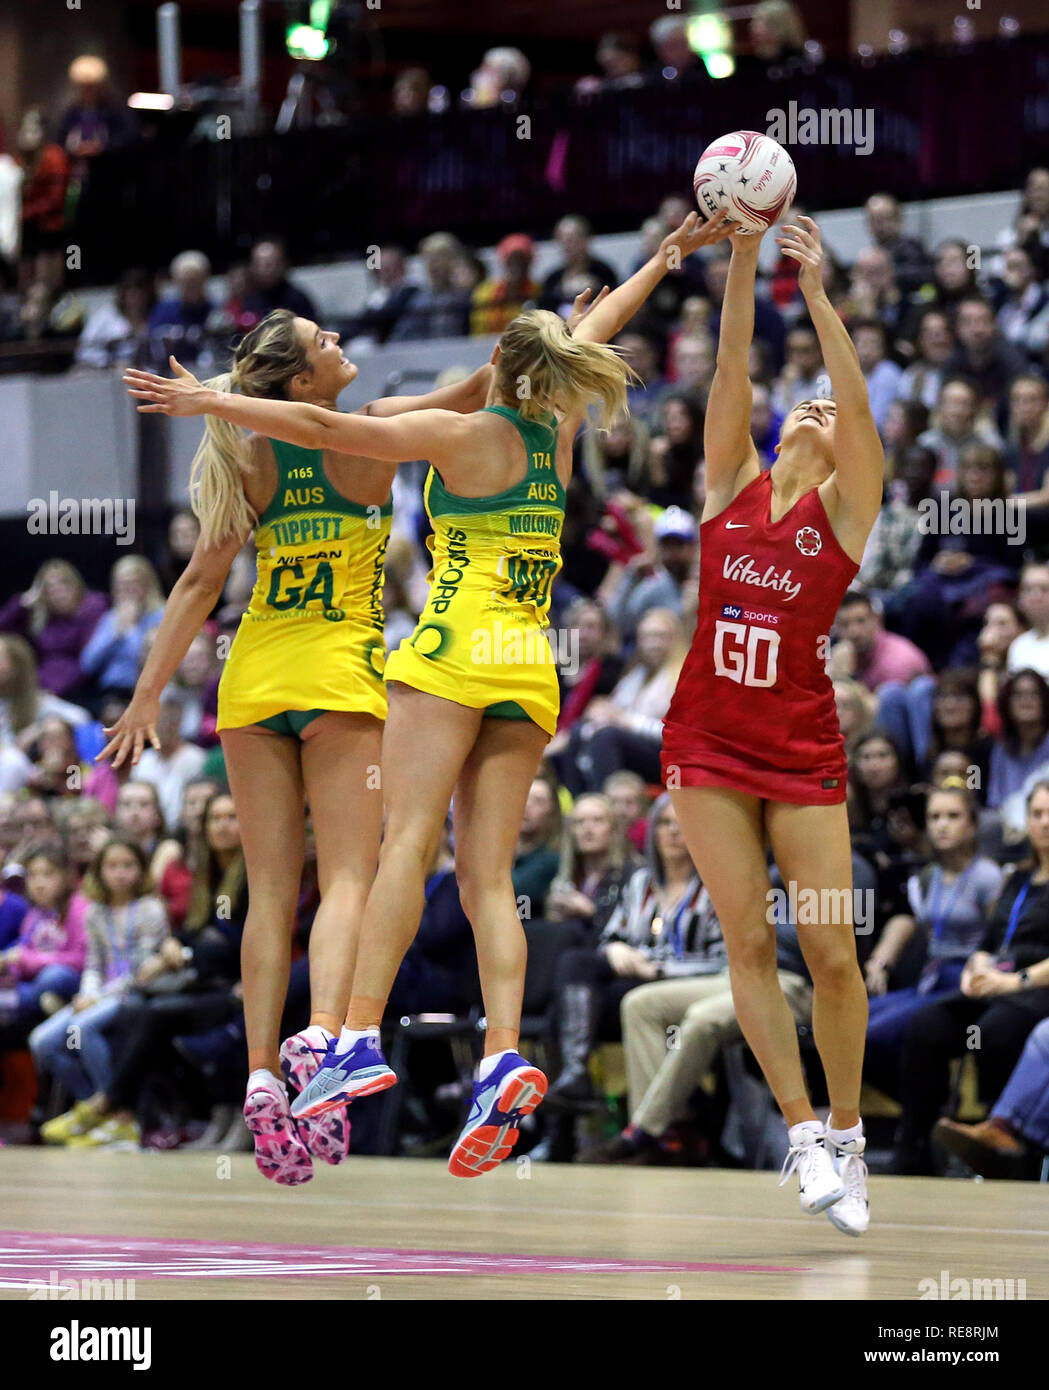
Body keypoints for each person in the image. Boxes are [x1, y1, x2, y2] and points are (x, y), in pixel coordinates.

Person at [128, 212, 736, 1177]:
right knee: (490, 876)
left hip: (442, 650)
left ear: (503, 365)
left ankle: (356, 1034)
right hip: (530, 659)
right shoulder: (559, 426)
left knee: (403, 846)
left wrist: (215, 401)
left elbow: (323, 428)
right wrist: (664, 257)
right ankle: (500, 1056)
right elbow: (593, 334)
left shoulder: (456, 433)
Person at [112, 308, 496, 1182]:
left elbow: (200, 583)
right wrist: (552, 338)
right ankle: (322, 1051)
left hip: (251, 681)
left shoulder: (246, 451)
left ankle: (257, 1072)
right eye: (324, 343)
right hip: (337, 679)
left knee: (268, 895)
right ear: (300, 386)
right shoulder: (374, 430)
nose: (340, 344)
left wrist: (145, 698)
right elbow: (478, 392)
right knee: (351, 877)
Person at [660, 216, 884, 1235]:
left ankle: (846, 1132)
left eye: (827, 408)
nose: (812, 407)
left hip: (799, 746)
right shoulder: (729, 488)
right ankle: (798, 1135)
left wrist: (823, 295)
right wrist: (746, 261)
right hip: (703, 742)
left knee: (829, 954)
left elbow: (864, 418)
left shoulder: (844, 512)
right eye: (806, 399)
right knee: (744, 940)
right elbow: (733, 373)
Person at [894, 780, 1049, 1174]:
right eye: (1037, 814)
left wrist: (1017, 982)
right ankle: (917, 1147)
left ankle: (1004, 1152)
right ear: (1026, 822)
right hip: (1000, 981)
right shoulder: (1016, 878)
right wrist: (977, 966)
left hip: (1037, 988)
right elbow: (992, 940)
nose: (1045, 822)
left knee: (996, 1029)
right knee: (927, 1025)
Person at [861, 786, 1003, 1093]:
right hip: (930, 977)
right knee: (853, 1022)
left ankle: (925, 1111)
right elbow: (906, 920)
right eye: (934, 817)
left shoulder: (986, 877)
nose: (942, 824)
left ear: (972, 824)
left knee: (872, 1035)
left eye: (953, 816)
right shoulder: (929, 875)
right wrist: (880, 963)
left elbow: (1000, 938)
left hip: (964, 981)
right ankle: (921, 1106)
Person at [31, 835, 169, 1143]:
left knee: (83, 1027)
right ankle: (94, 1104)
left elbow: (140, 970)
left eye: (128, 865)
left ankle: (119, 1109)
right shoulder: (94, 912)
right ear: (99, 871)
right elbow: (94, 964)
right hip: (101, 993)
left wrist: (96, 998)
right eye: (112, 866)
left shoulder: (150, 909)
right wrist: (88, 993)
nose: (120, 873)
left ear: (141, 870)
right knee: (42, 1041)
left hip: (132, 993)